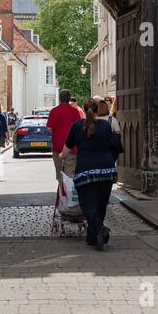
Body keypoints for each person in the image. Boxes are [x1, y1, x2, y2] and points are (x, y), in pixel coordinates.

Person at [62, 96, 122, 249]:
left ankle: (101, 230)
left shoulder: (77, 126)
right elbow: (112, 146)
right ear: (97, 110)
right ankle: (93, 237)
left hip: (86, 171)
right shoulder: (105, 126)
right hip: (106, 170)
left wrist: (61, 158)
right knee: (101, 204)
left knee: (87, 204)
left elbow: (67, 148)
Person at [47, 88, 85, 183]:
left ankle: (61, 191)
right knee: (69, 173)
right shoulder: (75, 111)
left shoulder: (53, 111)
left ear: (59, 99)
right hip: (71, 147)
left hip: (57, 146)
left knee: (59, 172)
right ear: (69, 99)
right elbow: (79, 128)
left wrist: (56, 133)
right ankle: (68, 194)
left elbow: (49, 128)